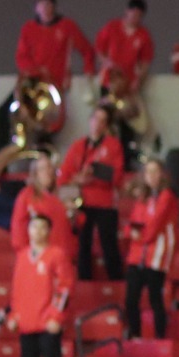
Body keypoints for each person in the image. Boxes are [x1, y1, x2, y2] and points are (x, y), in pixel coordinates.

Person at [8, 211, 74, 357]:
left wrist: (56, 316)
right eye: (34, 227)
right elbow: (17, 289)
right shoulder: (22, 256)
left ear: (49, 231)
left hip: (47, 321)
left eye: (42, 227)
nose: (37, 231)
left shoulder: (57, 254)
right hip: (26, 322)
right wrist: (14, 315)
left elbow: (65, 287)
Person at [61, 105, 127, 281]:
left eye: (103, 121)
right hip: (82, 202)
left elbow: (117, 176)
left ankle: (116, 282)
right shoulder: (78, 146)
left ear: (106, 126)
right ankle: (84, 283)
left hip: (105, 204)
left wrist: (95, 172)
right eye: (96, 119)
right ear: (90, 120)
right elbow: (63, 177)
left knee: (109, 245)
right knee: (83, 245)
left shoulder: (113, 145)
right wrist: (79, 179)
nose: (98, 124)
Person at [124, 158, 179, 339]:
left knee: (155, 299)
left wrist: (139, 236)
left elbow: (154, 226)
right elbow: (131, 225)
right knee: (131, 299)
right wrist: (134, 233)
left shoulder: (167, 196)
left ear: (162, 174)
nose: (152, 176)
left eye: (155, 171)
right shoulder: (142, 198)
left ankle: (160, 338)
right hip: (137, 256)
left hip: (157, 256)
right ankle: (135, 337)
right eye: (148, 172)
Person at [15, 0, 96, 95]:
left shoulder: (67, 26)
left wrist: (89, 70)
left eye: (47, 4)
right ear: (36, 8)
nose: (44, 8)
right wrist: (36, 71)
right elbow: (21, 56)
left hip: (58, 81)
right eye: (41, 4)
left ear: (53, 7)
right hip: (35, 82)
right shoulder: (28, 29)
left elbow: (87, 49)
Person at [10, 154, 74, 263]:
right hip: (40, 258)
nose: (47, 172)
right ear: (35, 173)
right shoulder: (27, 196)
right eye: (43, 169)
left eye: (50, 168)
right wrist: (26, 255)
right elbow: (18, 229)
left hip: (62, 256)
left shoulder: (60, 196)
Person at [95, 0, 155, 99]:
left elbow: (145, 62)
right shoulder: (112, 27)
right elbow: (99, 49)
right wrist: (106, 62)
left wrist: (139, 81)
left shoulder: (144, 35)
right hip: (109, 81)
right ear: (127, 11)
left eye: (139, 16)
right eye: (134, 14)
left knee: (129, 108)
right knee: (106, 107)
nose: (135, 18)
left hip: (129, 84)